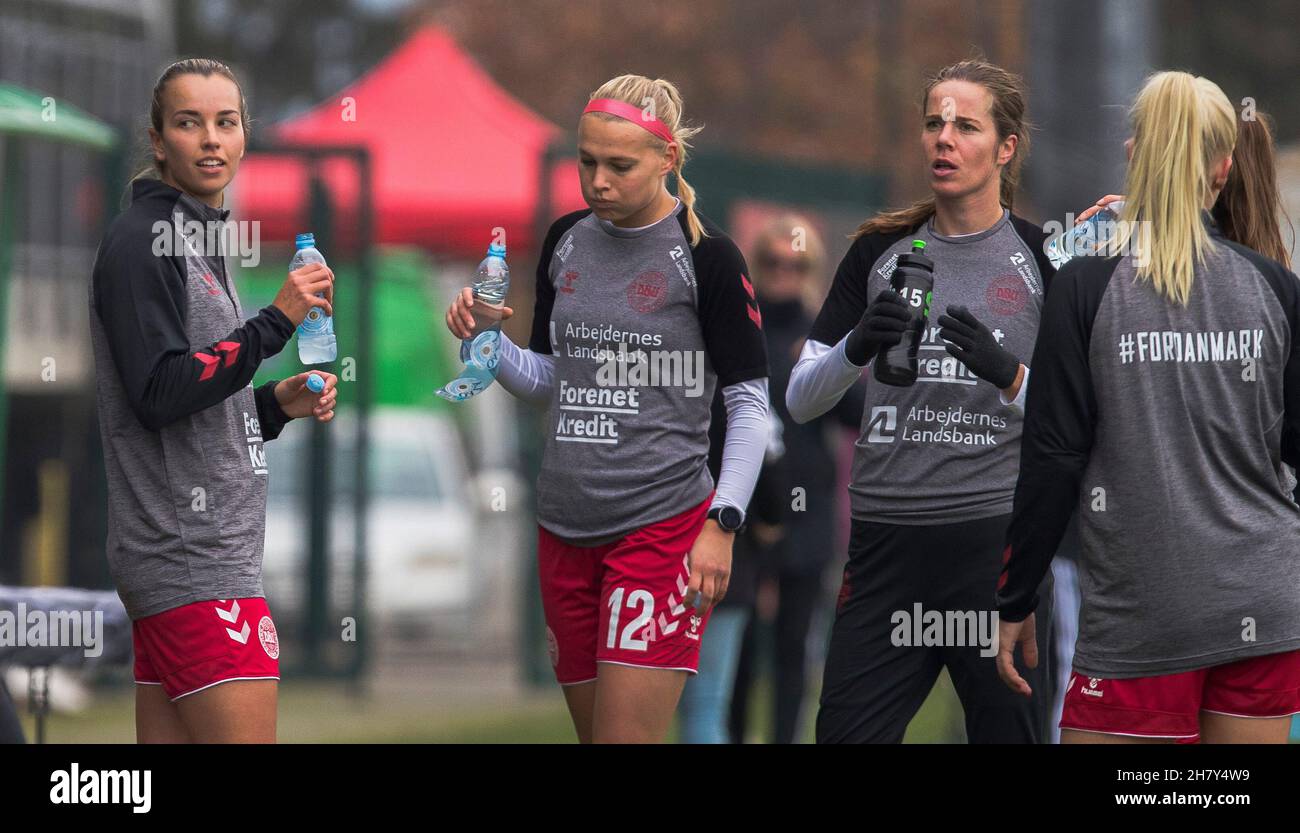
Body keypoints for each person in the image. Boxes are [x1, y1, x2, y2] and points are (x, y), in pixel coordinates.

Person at [443, 74, 769, 743]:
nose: (598, 181)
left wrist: (723, 521)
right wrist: (486, 342)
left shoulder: (707, 257)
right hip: (563, 529)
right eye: (587, 161)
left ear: (666, 159)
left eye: (619, 165)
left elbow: (750, 406)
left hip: (660, 529)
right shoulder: (566, 240)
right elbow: (548, 380)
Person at [996, 71, 1300, 744]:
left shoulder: (1084, 289)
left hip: (1143, 617)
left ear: (1135, 156)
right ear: (1223, 167)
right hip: (1263, 605)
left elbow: (1051, 457)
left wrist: (1016, 595)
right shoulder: (1277, 289)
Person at [786, 59, 1057, 744]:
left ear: (1005, 148)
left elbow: (1077, 421)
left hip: (993, 546)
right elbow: (798, 401)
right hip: (885, 548)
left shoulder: (1042, 257)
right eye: (934, 123)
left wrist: (1009, 375)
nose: (944, 138)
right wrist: (854, 347)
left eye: (966, 126)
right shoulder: (878, 252)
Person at [90, 59, 339, 743]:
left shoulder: (199, 236)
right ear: (158, 138)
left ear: (244, 134)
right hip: (192, 561)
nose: (209, 138)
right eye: (188, 122)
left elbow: (195, 400)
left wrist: (272, 405)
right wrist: (276, 321)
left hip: (197, 561)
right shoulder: (144, 241)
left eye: (225, 122)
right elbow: (158, 392)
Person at [727, 216, 864, 744]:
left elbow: (856, 412)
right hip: (743, 506)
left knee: (793, 650)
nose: (784, 273)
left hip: (808, 512)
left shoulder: (822, 334)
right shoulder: (738, 326)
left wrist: (835, 365)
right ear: (756, 266)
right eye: (773, 262)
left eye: (797, 264)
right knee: (736, 652)